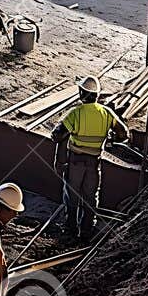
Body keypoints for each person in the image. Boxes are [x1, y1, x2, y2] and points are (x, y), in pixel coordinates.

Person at [51, 75, 130, 241]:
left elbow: (57, 135)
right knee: (90, 196)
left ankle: (71, 229)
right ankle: (86, 230)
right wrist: (109, 139)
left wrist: (61, 155)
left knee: (71, 195)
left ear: (81, 93)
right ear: (97, 95)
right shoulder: (106, 113)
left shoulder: (75, 113)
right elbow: (124, 134)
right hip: (94, 163)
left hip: (75, 162)